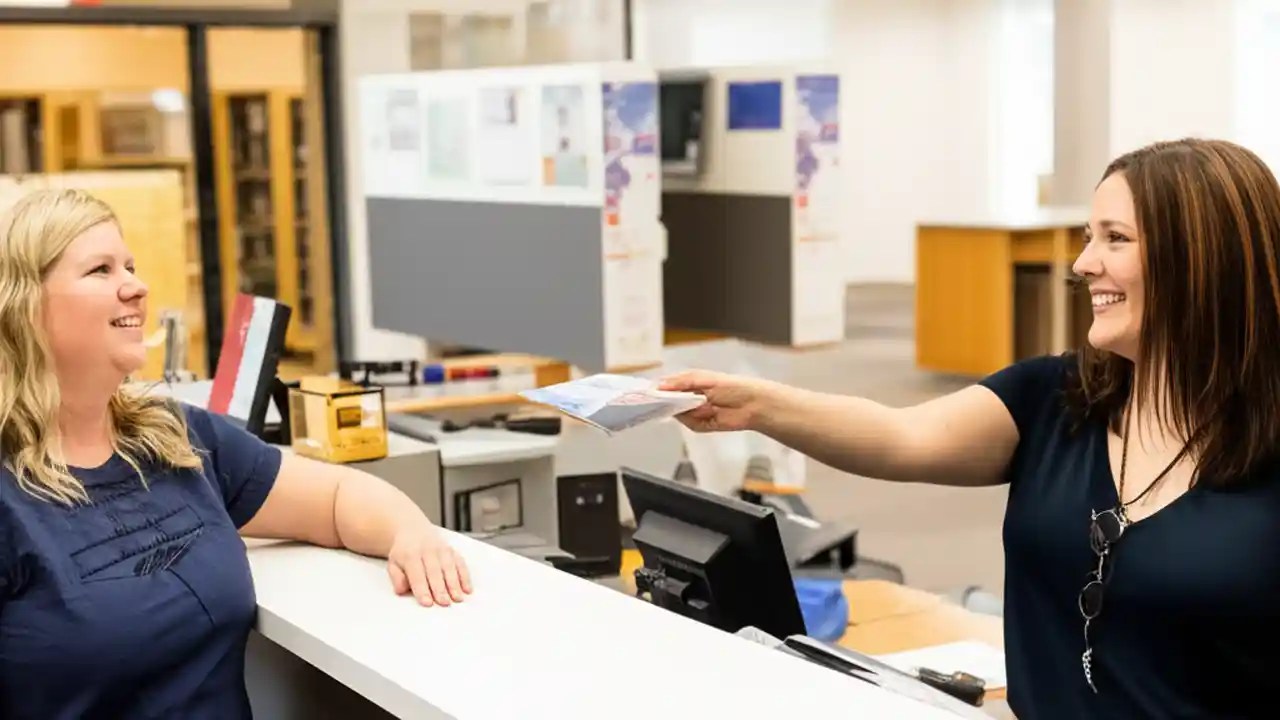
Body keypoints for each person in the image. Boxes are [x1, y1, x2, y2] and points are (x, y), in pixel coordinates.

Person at [662, 138, 1280, 719]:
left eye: (1115, 239)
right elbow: (901, 437)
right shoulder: (1056, 398)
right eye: (1088, 238)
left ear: (1203, 261)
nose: (1082, 264)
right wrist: (756, 405)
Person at [0, 189, 472, 719]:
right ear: (25, 306)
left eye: (129, 266)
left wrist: (410, 534)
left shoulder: (173, 437)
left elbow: (339, 497)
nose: (136, 286)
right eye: (100, 270)